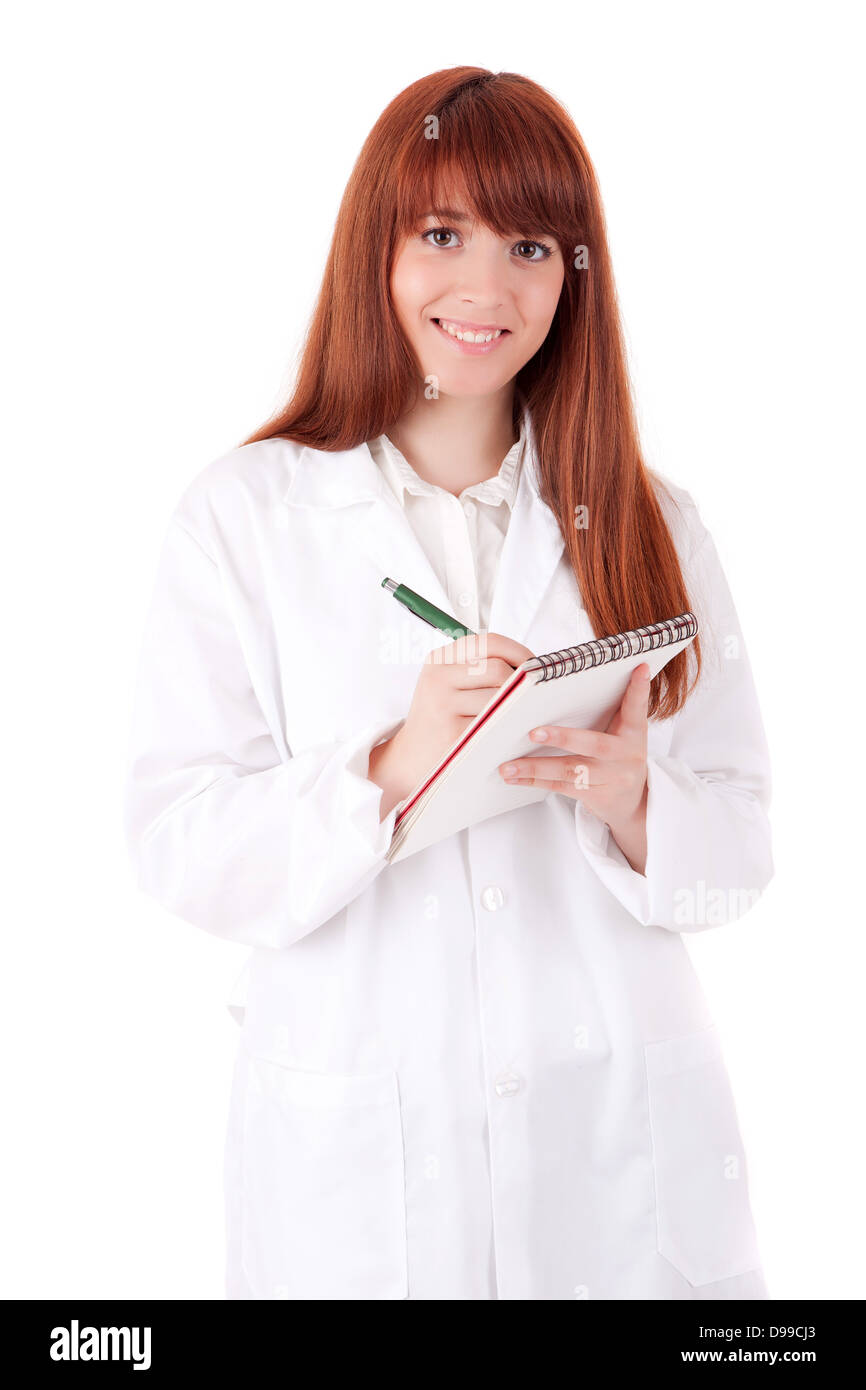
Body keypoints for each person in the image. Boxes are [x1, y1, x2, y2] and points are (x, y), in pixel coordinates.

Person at [123, 66, 774, 1300]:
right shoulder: (245, 519)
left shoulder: (651, 525)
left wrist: (639, 801)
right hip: (361, 1181)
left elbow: (741, 841)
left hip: (614, 1160)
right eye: (440, 234)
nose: (486, 288)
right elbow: (176, 842)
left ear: (572, 277)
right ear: (376, 249)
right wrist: (388, 765)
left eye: (531, 244)